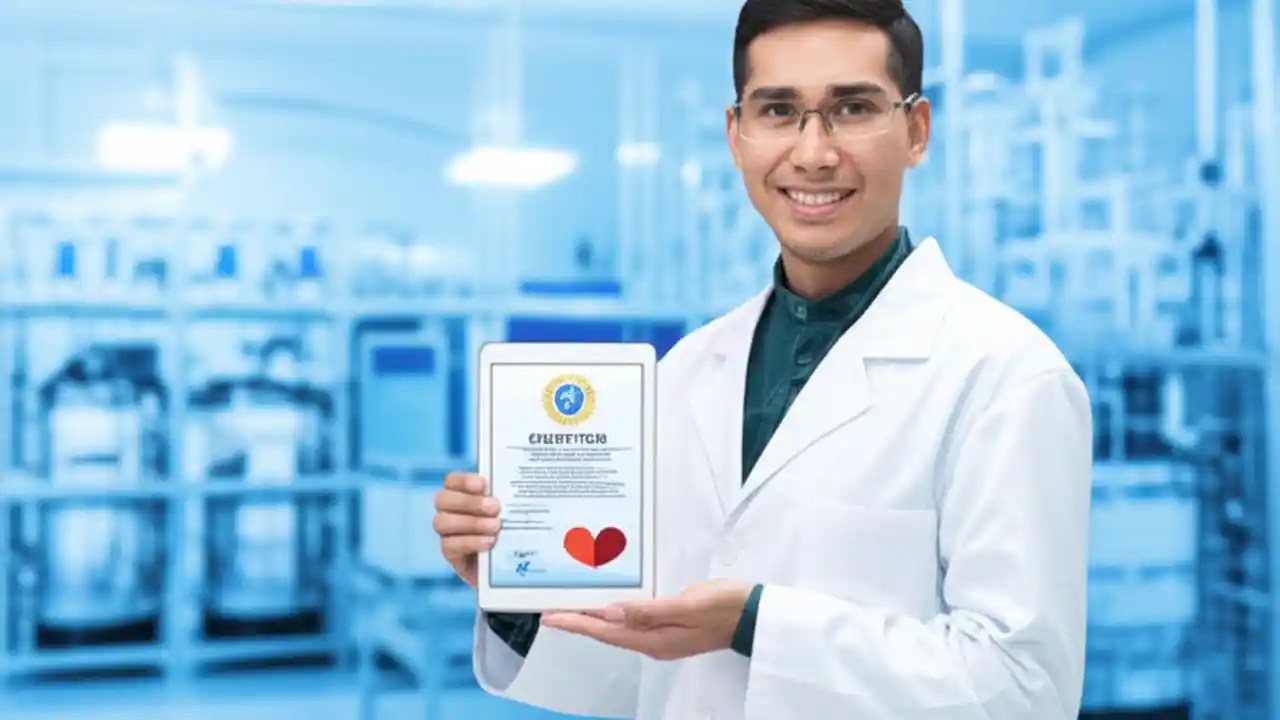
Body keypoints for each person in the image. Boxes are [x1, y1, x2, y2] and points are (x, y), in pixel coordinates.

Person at [432, 0, 1093, 717]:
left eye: (852, 108)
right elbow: (653, 672)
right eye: (778, 111)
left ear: (916, 131)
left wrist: (756, 624)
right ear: (736, 134)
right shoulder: (687, 369)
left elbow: (1024, 690)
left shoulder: (1004, 376)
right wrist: (519, 593)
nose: (813, 152)